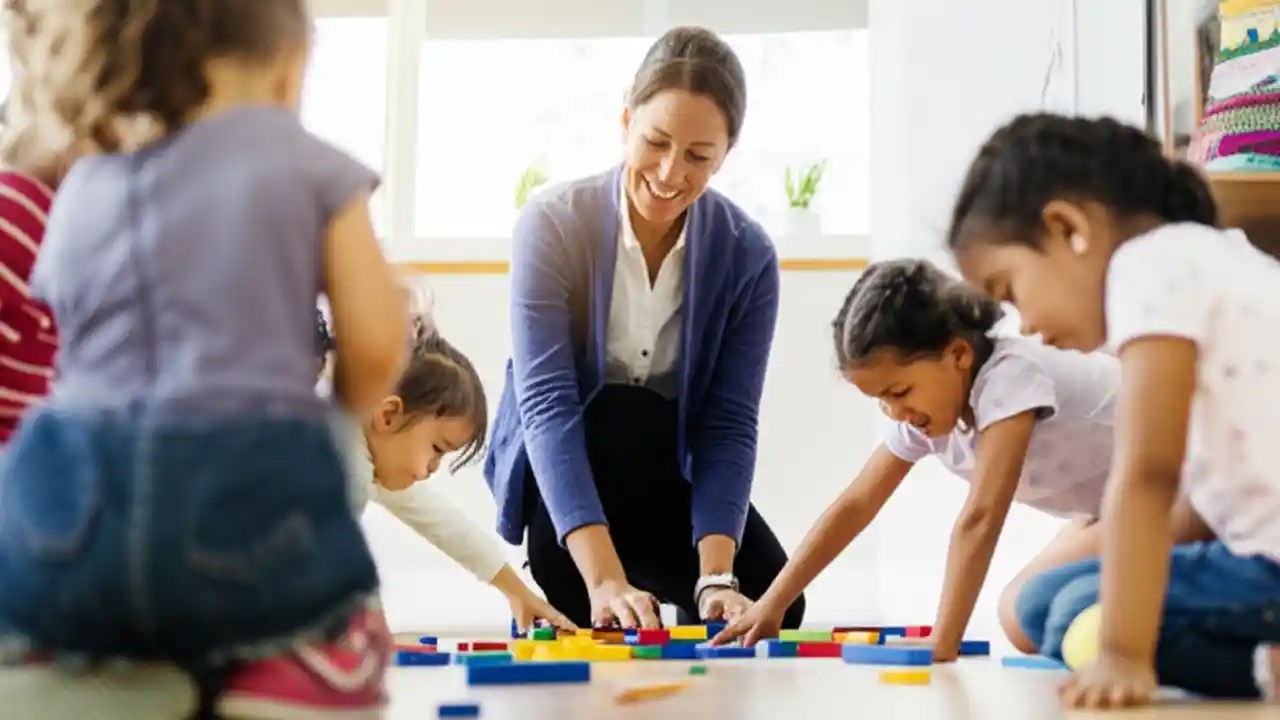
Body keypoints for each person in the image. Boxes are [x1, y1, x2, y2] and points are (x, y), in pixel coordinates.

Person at [0, 1, 407, 718]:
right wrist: (332, 422)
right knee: (324, 590)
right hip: (237, 491)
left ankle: (70, 659)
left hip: (68, 507)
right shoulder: (312, 166)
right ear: (290, 71)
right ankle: (301, 669)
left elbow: (72, 346)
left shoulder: (88, 185)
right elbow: (375, 343)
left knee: (70, 586)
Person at [948, 112, 1280, 707]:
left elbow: (1148, 475)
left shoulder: (1148, 266)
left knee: (1081, 609)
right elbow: (1196, 503)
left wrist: (1124, 656)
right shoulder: (1201, 262)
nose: (1026, 327)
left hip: (1268, 570)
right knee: (1047, 601)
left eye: (1010, 289)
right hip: (1254, 562)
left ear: (1067, 228)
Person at [484, 26, 803, 630]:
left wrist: (715, 580)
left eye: (698, 156)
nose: (669, 171)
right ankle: (586, 573)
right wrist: (604, 580)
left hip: (661, 476)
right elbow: (548, 404)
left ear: (727, 153)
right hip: (569, 483)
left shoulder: (748, 256)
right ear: (626, 119)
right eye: (655, 141)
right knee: (620, 419)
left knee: (771, 606)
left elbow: (728, 423)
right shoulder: (552, 225)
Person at [713, 258, 1192, 658]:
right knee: (1021, 617)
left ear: (959, 354)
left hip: (1184, 487)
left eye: (899, 391)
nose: (895, 412)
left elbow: (982, 516)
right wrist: (772, 604)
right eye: (881, 400)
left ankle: (1208, 588)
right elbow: (855, 505)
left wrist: (944, 641)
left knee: (1032, 607)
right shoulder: (930, 413)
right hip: (1115, 508)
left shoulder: (1010, 378)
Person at [320, 312, 577, 632]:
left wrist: (517, 591)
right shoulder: (347, 465)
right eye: (437, 449)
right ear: (388, 415)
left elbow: (445, 524)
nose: (433, 468)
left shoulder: (358, 444)